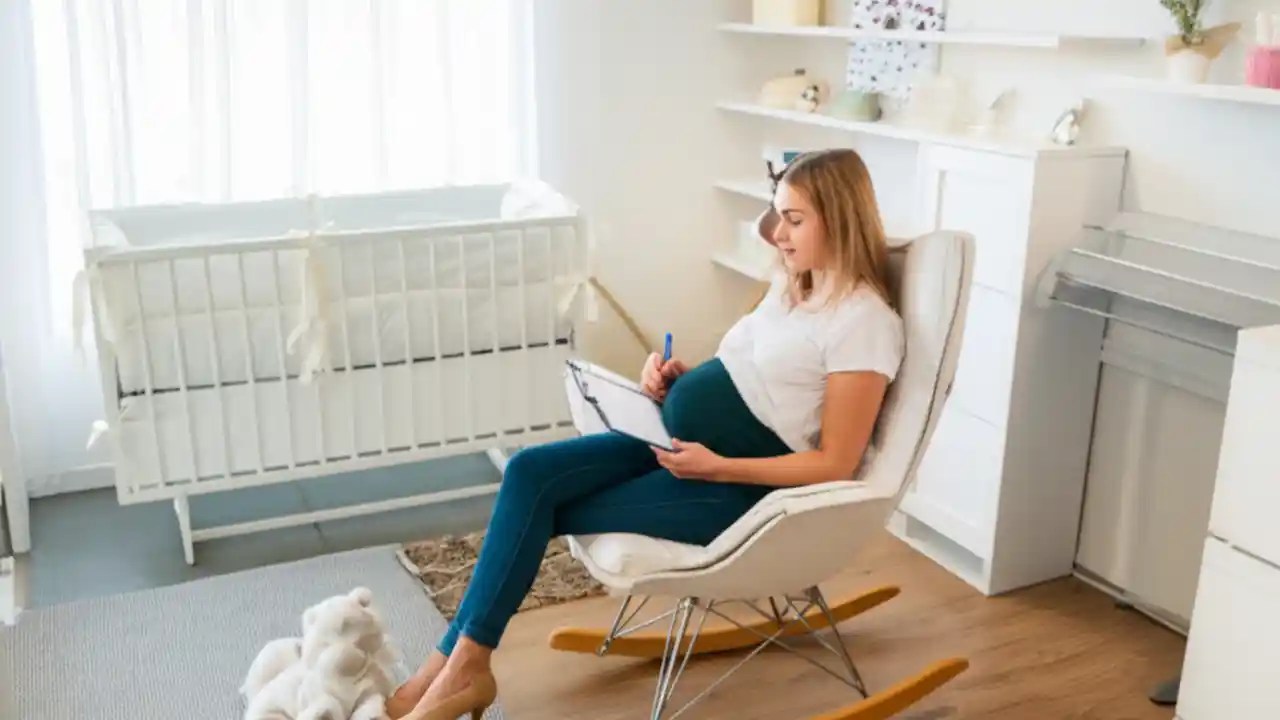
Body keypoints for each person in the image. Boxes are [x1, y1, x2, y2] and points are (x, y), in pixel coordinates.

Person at [388, 148, 905, 720]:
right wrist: (680, 383)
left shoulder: (864, 323)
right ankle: (448, 666)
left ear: (840, 218)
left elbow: (835, 462)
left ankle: (461, 670)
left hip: (738, 491)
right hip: (679, 446)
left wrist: (719, 466)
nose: (777, 234)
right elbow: (757, 380)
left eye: (794, 220)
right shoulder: (795, 288)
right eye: (778, 215)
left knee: (541, 507)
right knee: (528, 471)